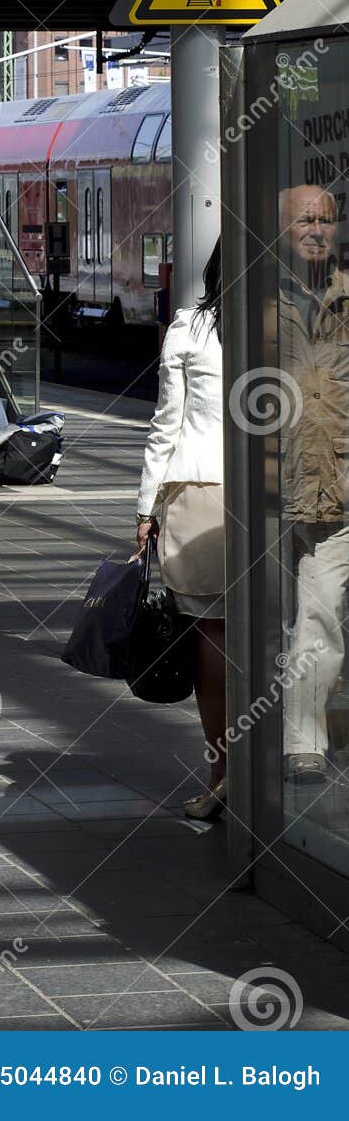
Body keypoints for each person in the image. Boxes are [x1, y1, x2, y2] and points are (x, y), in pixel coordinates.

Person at [136, 240, 225, 820]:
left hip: (200, 492)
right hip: (277, 492)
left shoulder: (189, 329)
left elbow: (167, 424)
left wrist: (146, 505)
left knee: (214, 641)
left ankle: (224, 777)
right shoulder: (292, 321)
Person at [276, 186, 349, 789]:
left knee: (319, 609)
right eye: (305, 220)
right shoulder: (257, 303)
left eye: (326, 220)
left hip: (343, 479)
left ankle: (311, 735)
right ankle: (304, 738)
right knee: (311, 611)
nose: (318, 229)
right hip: (293, 483)